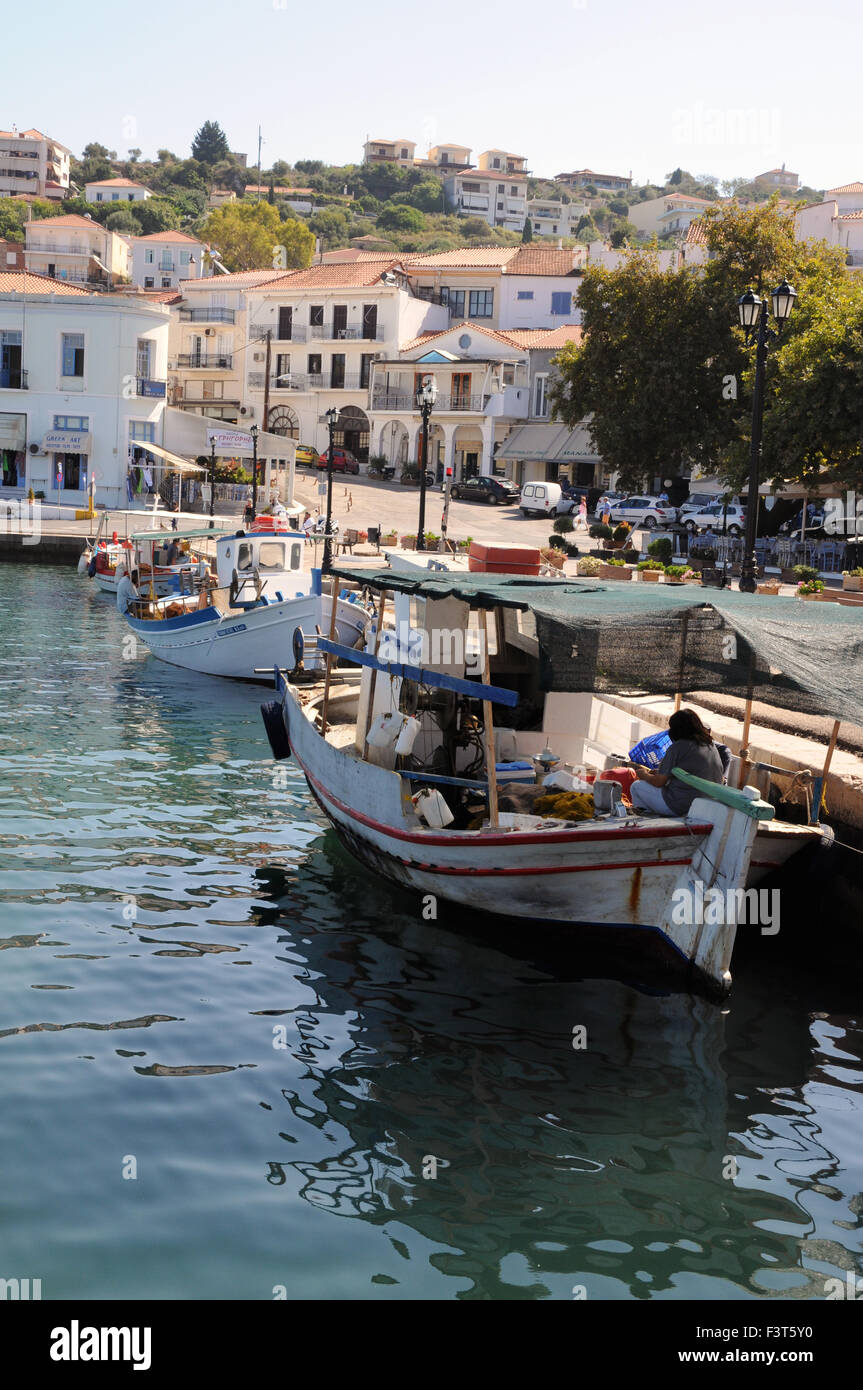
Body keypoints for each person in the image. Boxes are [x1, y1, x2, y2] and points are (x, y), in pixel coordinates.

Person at [630, 709, 724, 817]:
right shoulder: (710, 745)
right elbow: (693, 771)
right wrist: (661, 773)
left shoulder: (677, 747)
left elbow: (658, 782)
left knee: (636, 786)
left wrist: (644, 775)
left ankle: (644, 820)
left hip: (680, 806)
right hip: (707, 805)